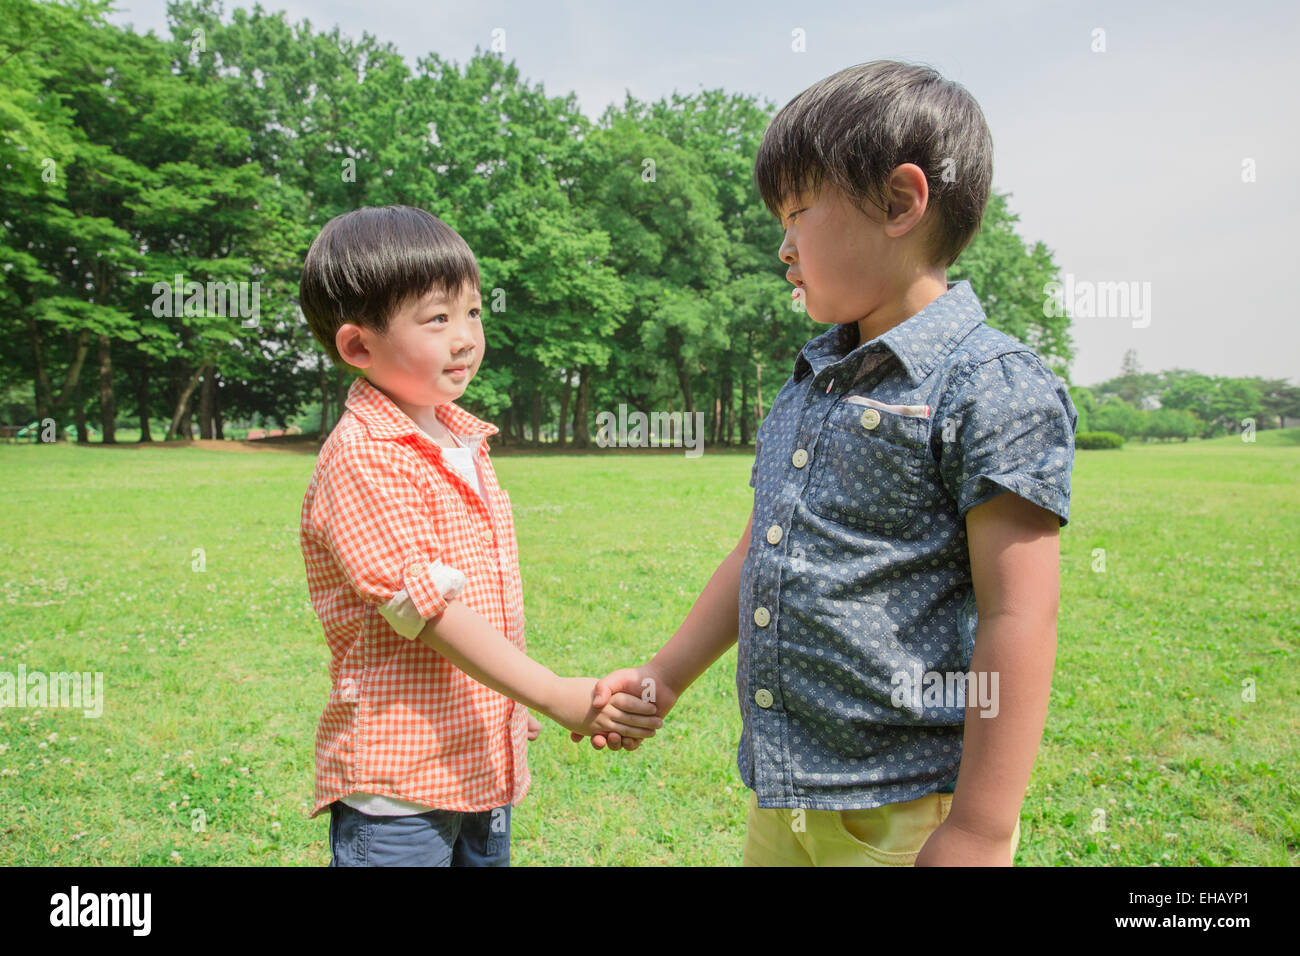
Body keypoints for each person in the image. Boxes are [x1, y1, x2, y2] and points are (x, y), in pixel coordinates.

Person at [572, 61, 1078, 866]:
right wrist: (665, 676)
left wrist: (980, 827)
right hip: (789, 798)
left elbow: (1020, 616)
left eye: (797, 212)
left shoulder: (991, 386)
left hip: (908, 809)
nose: (783, 246)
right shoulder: (810, 382)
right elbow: (757, 552)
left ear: (900, 202)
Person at [298, 205, 661, 866]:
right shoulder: (364, 456)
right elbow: (428, 613)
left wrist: (521, 705)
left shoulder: (458, 438)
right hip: (402, 787)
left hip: (481, 765)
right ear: (358, 346)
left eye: (473, 313)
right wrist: (553, 693)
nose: (466, 337)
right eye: (438, 319)